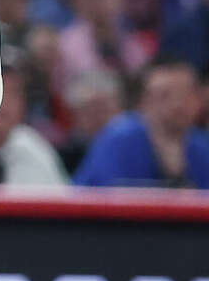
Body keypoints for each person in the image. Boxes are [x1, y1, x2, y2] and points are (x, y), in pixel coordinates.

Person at [73, 57, 209, 189]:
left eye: (185, 94)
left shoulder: (201, 145)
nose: (177, 104)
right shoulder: (119, 139)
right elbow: (113, 198)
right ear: (144, 101)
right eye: (164, 95)